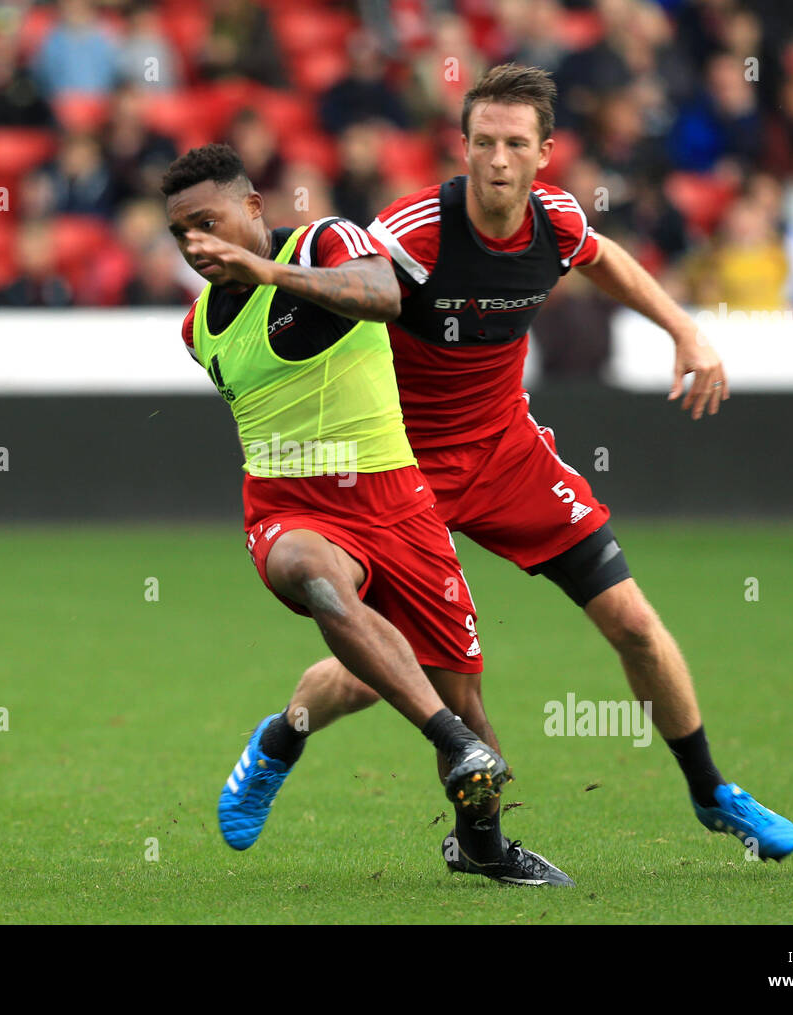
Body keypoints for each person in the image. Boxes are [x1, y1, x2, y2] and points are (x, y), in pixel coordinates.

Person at [278, 64, 793, 874]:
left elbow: (607, 259)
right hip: (402, 467)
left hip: (507, 453)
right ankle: (281, 740)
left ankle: (712, 791)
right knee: (385, 674)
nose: (496, 158)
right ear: (462, 146)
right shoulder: (413, 231)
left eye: (514, 144)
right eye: (482, 142)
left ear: (544, 154)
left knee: (632, 620)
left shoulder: (555, 223)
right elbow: (349, 286)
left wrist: (685, 330)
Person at [162, 143, 573, 885]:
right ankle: (448, 740)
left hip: (397, 501)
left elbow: (383, 295)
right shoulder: (200, 331)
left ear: (253, 209)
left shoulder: (324, 241)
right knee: (315, 578)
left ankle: (472, 839)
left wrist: (267, 271)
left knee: (471, 706)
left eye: (208, 222)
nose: (197, 243)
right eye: (182, 233)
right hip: (288, 505)